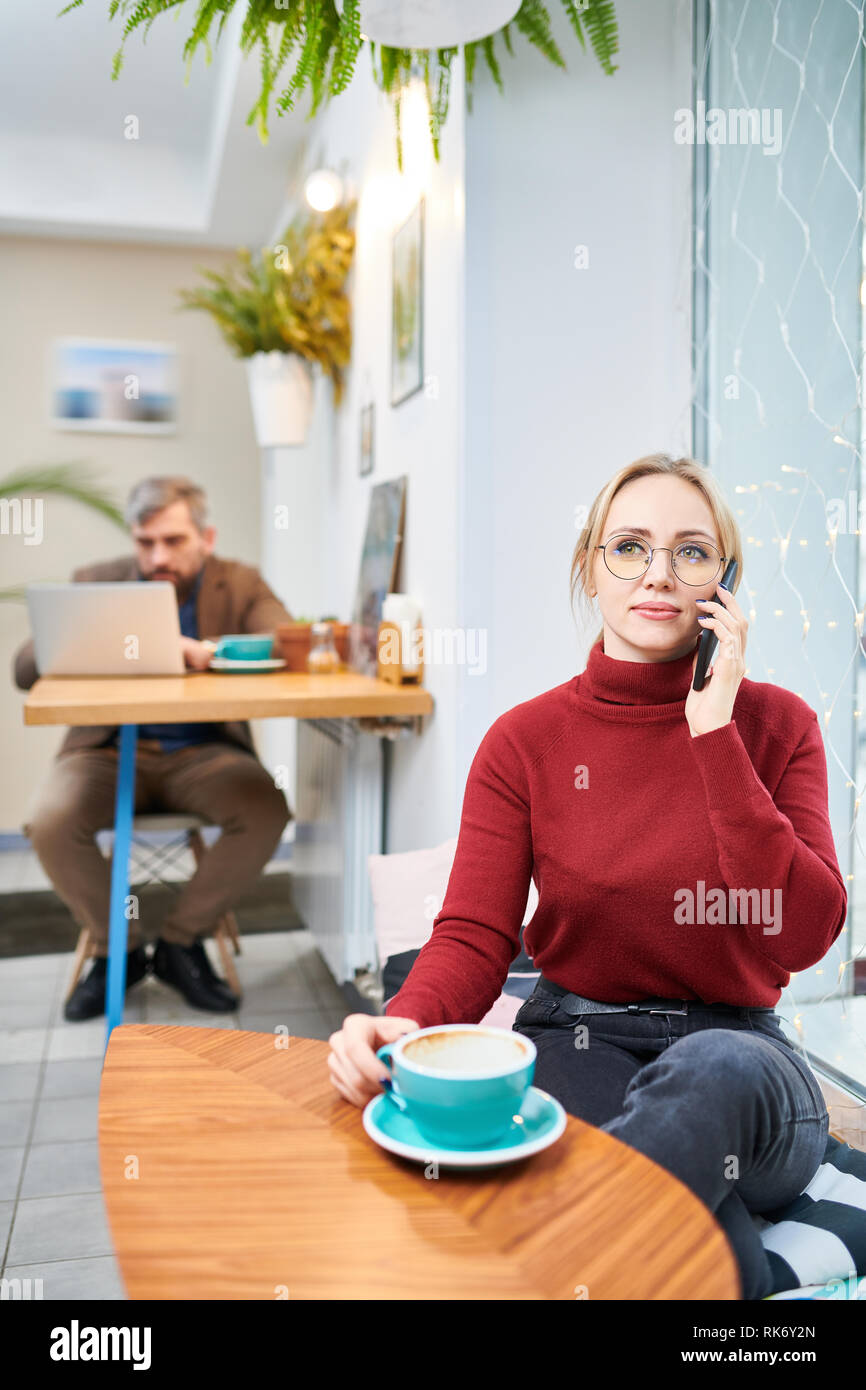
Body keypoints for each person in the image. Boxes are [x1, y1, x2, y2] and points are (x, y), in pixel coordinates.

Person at [326, 452, 847, 1301]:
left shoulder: (776, 725)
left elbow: (805, 930)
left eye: (691, 552)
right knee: (643, 1191)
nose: (658, 574)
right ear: (590, 569)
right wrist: (403, 1020)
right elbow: (474, 934)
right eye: (629, 547)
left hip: (744, 1058)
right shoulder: (524, 742)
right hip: (581, 1039)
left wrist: (714, 734)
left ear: (725, 583)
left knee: (707, 1075)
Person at [13, 476, 293, 1021]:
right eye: (145, 542)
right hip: (106, 752)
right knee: (49, 821)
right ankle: (118, 946)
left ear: (206, 538)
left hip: (203, 754)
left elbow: (283, 638)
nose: (157, 555)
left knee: (266, 809)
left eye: (173, 541)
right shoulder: (98, 582)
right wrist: (76, 632)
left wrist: (209, 651)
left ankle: (181, 944)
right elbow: (24, 670)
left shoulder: (239, 583)